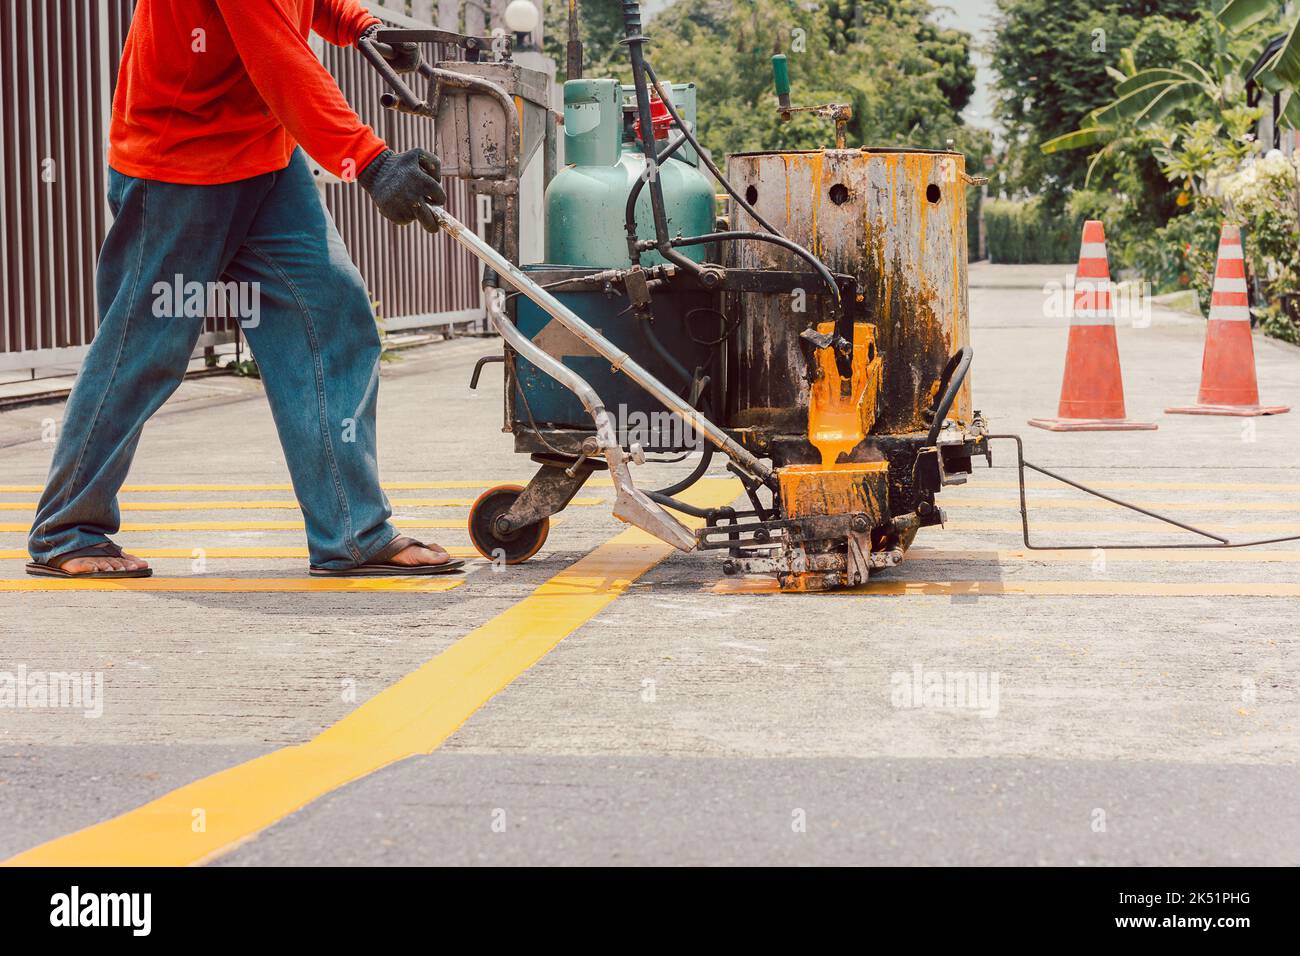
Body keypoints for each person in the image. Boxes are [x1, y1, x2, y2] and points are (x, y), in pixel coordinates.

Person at [26, 0, 460, 579]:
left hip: (264, 162)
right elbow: (281, 59)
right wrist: (371, 162)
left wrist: (360, 26)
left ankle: (352, 532)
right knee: (143, 349)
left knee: (332, 314)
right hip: (178, 164)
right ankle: (68, 529)